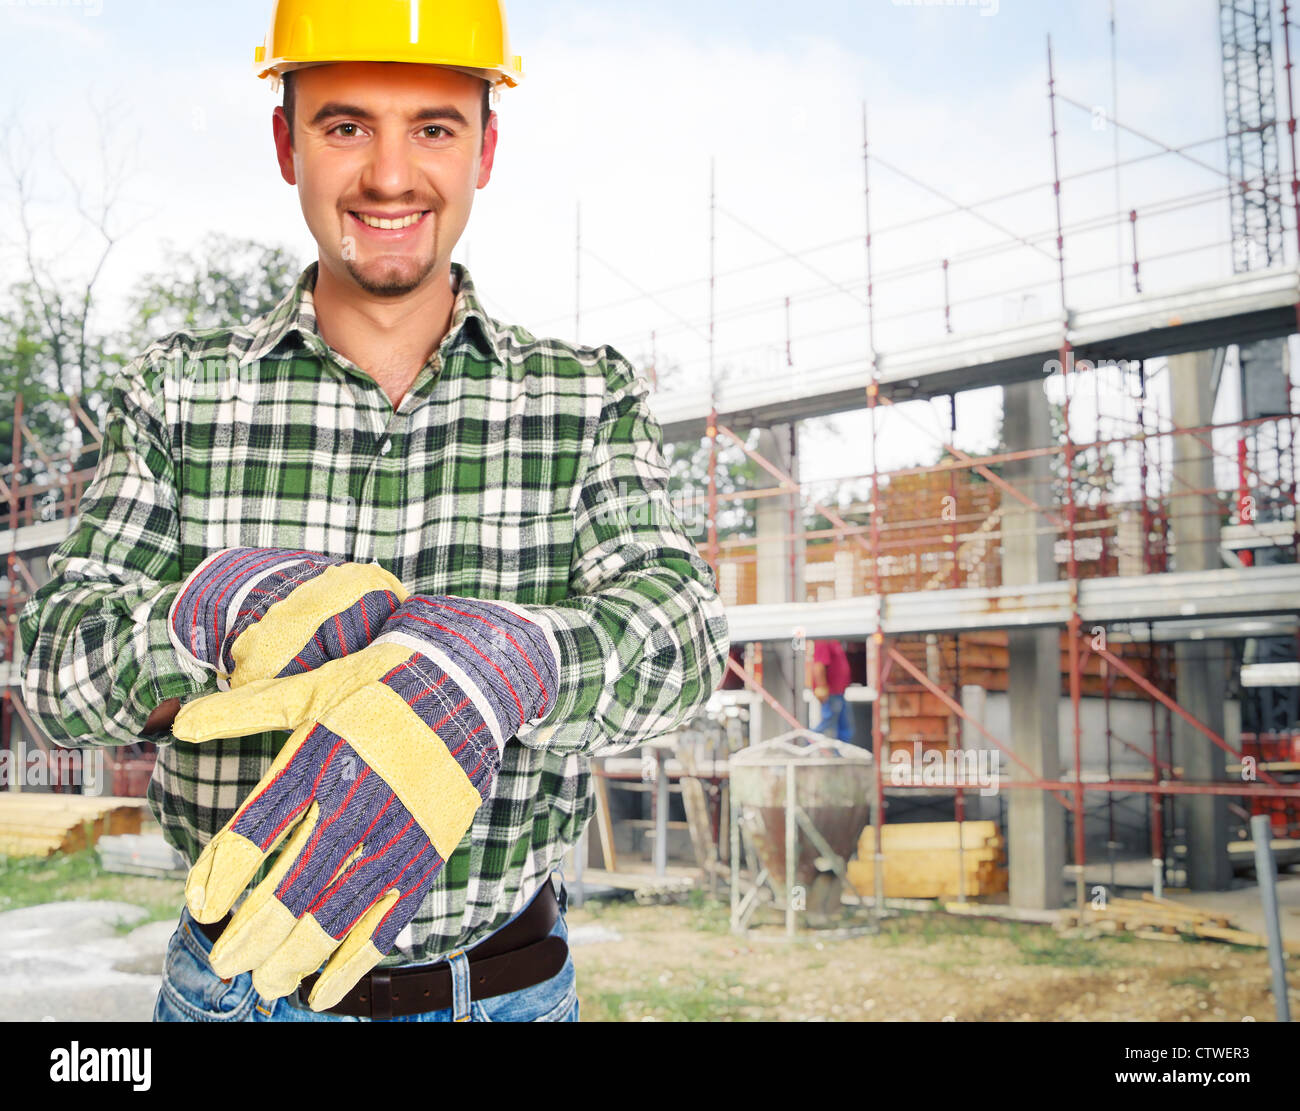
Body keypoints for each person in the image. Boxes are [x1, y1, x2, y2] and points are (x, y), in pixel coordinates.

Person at [18, 0, 729, 1023]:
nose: (391, 175)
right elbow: (49, 663)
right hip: (242, 995)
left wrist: (504, 664)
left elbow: (686, 635)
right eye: (345, 125)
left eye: (433, 127)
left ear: (484, 148)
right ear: (285, 143)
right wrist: (207, 614)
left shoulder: (584, 397)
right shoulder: (177, 393)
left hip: (505, 990)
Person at [811, 638, 854, 743]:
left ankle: (841, 754)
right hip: (832, 693)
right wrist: (822, 688)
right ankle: (805, 742)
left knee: (844, 727)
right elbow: (818, 666)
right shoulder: (823, 640)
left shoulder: (834, 640)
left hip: (839, 692)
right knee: (828, 722)